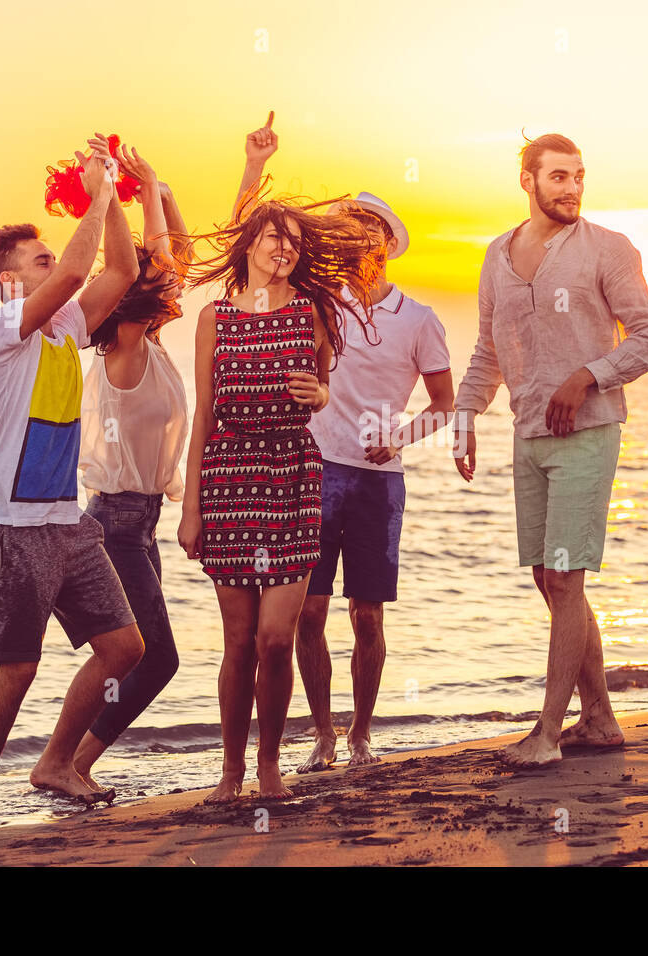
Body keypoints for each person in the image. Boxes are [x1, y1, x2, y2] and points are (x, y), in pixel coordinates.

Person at [234, 125, 455, 772]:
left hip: (378, 485)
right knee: (307, 614)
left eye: (369, 227)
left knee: (367, 619)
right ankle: (324, 736)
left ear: (388, 243)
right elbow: (253, 237)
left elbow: (445, 405)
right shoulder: (317, 302)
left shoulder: (418, 320)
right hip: (314, 470)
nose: (358, 235)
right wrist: (255, 164)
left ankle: (360, 734)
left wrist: (401, 436)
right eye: (349, 225)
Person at [176, 113, 381, 802]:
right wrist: (191, 506)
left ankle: (270, 765)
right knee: (237, 643)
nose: (285, 250)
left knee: (273, 638)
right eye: (274, 239)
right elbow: (204, 414)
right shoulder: (215, 317)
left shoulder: (314, 309)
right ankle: (231, 774)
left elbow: (323, 389)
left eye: (293, 242)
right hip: (230, 480)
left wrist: (319, 392)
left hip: (293, 477)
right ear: (253, 243)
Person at [452, 132, 648, 768]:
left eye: (578, 176)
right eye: (558, 177)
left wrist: (588, 375)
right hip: (528, 434)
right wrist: (465, 413)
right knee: (550, 581)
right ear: (527, 180)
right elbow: (488, 351)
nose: (572, 188)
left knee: (567, 578)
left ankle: (546, 733)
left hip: (589, 432)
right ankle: (599, 719)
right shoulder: (496, 256)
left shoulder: (608, 249)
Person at [0, 142, 143, 828]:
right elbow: (73, 270)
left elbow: (119, 267)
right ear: (9, 281)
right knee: (18, 670)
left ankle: (56, 763)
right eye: (34, 259)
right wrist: (94, 194)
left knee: (124, 650)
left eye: (47, 255)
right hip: (9, 525)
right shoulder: (1, 330)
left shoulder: (68, 325)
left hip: (67, 523)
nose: (53, 263)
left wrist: (115, 190)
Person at [72, 140, 192, 794]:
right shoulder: (123, 350)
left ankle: (69, 763)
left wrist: (156, 191)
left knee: (143, 655)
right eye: (158, 283)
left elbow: (163, 264)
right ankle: (68, 763)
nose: (172, 285)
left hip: (135, 524)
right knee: (152, 656)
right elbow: (150, 266)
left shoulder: (149, 345)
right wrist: (132, 192)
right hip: (114, 525)